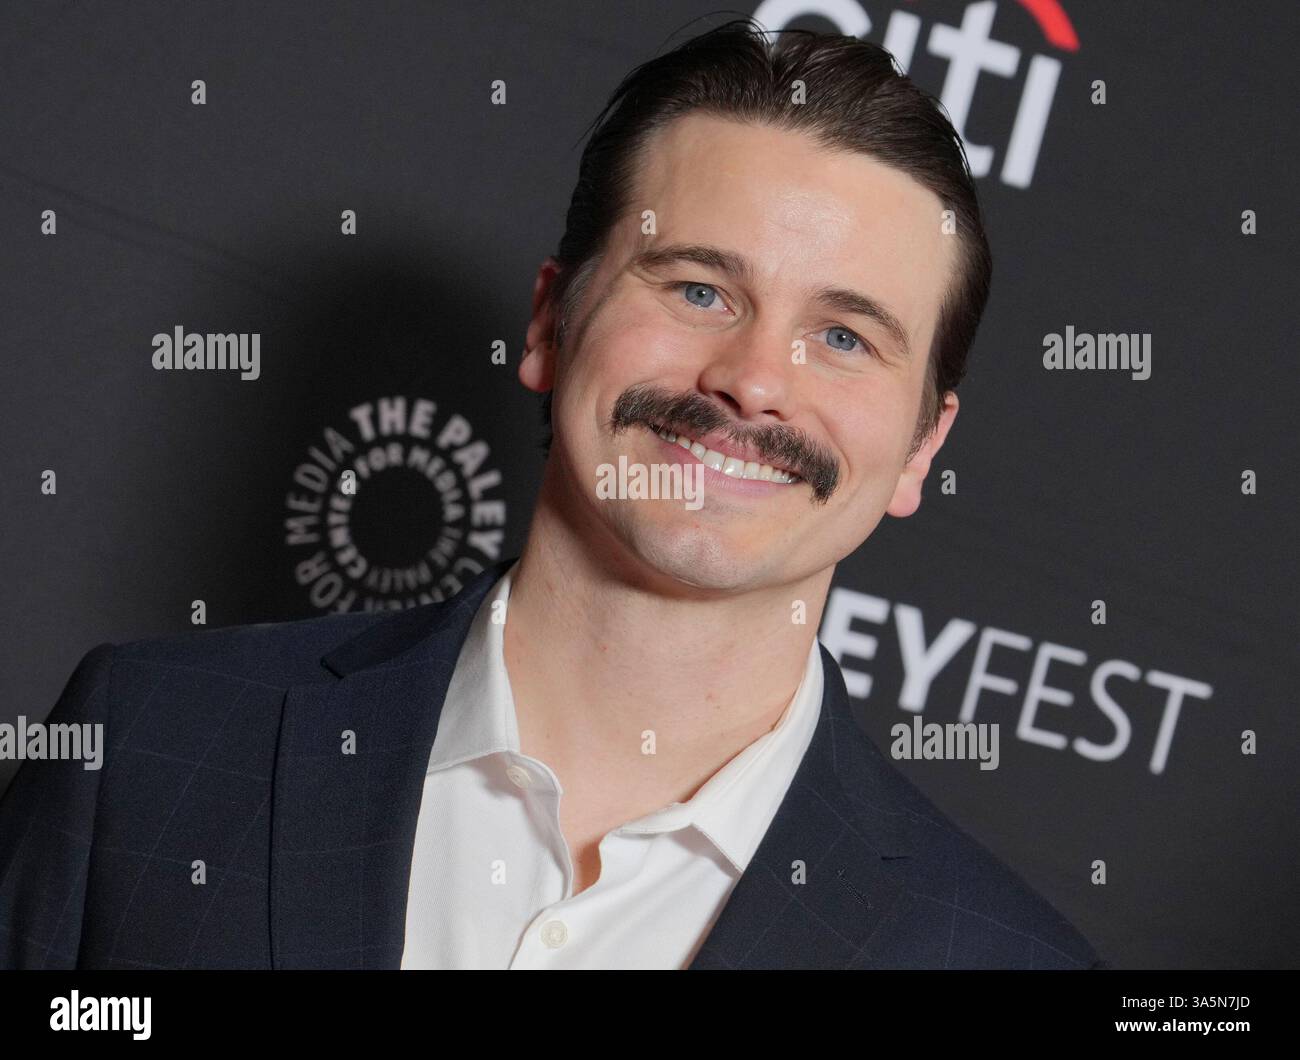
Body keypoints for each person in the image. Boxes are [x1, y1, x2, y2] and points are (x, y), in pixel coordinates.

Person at [0, 19, 1104, 970]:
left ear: (920, 446)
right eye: (699, 287)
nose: (755, 379)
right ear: (549, 321)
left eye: (843, 335)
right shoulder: (145, 748)